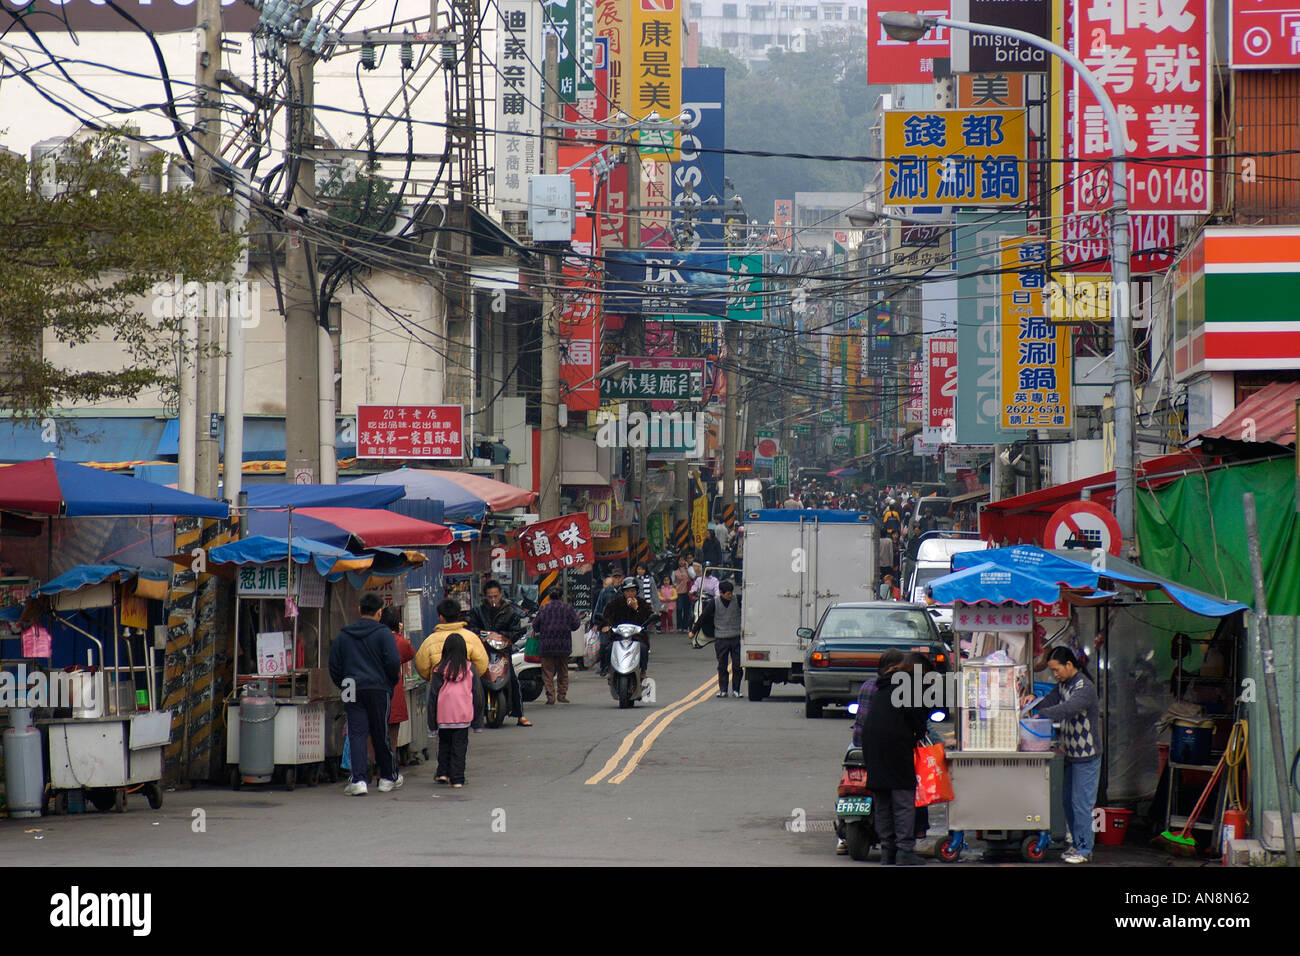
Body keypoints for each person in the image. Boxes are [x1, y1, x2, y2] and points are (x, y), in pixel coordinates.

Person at [1023, 647, 1101, 864]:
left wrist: (1040, 714)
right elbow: (1050, 700)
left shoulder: (1084, 687)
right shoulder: (1064, 684)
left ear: (1069, 665)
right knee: (1068, 801)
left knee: (1081, 804)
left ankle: (1085, 850)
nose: (1054, 674)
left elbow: (1067, 709)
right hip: (1070, 752)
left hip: (1087, 754)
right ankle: (1076, 845)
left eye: (1056, 669)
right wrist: (1033, 702)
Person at [329, 592, 403, 796]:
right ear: (380, 613)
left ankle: (359, 779)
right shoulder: (384, 634)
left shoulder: (344, 635)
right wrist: (390, 683)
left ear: (360, 610)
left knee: (356, 732)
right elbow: (393, 663)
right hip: (378, 687)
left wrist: (343, 684)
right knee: (380, 732)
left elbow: (334, 665)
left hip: (350, 686)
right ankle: (387, 777)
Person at [862, 648, 929, 865]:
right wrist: (920, 735)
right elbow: (918, 718)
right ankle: (904, 851)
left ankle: (887, 851)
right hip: (895, 745)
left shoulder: (882, 685)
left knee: (882, 798)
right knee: (903, 800)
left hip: (872, 743)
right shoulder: (908, 685)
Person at [415, 599, 490, 735]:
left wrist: (432, 676)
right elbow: (482, 664)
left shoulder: (430, 641)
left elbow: (421, 666)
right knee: (460, 742)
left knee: (444, 744)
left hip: (441, 703)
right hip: (463, 703)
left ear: (441, 617)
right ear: (459, 615)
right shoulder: (471, 638)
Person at [465, 580, 533, 727]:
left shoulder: (510, 612)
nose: (493, 599)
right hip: (481, 653)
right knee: (471, 680)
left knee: (514, 680)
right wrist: (480, 633)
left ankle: (520, 715)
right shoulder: (478, 611)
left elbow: (516, 631)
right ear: (485, 597)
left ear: (500, 594)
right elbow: (469, 626)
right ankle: (471, 715)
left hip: (502, 653)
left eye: (495, 596)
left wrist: (500, 636)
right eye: (490, 597)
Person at [430, 632, 476, 788]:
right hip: (463, 715)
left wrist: (431, 722)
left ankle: (442, 772)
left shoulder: (438, 670)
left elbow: (433, 697)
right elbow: (478, 694)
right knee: (459, 746)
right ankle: (457, 778)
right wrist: (478, 720)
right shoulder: (470, 669)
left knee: (444, 744)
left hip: (444, 715)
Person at [692, 579, 743, 697]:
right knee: (722, 665)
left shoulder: (738, 599)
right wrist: (693, 631)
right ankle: (723, 689)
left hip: (736, 637)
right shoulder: (714, 602)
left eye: (731, 593)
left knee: (737, 665)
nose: (730, 595)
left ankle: (736, 690)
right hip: (721, 638)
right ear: (721, 593)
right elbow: (703, 616)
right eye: (728, 593)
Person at [598, 578, 655, 678]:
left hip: (637, 635)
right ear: (623, 592)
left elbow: (649, 617)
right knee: (608, 647)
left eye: (632, 591)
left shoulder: (642, 603)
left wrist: (636, 608)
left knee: (644, 647)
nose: (630, 593)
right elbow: (606, 615)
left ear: (636, 591)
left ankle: (643, 670)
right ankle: (609, 669)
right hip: (618, 635)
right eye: (627, 591)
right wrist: (605, 625)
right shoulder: (615, 603)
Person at [380, 605, 415, 764]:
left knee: (376, 729)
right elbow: (410, 653)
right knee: (393, 730)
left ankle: (375, 763)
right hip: (394, 688)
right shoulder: (399, 641)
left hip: (375, 688)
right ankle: (390, 764)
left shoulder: (374, 638)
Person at [531, 594, 581, 705]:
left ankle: (550, 696)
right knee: (563, 671)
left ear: (549, 597)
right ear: (561, 597)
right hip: (563, 645)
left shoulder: (543, 608)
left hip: (546, 645)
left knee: (547, 672)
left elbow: (535, 625)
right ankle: (562, 695)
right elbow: (576, 624)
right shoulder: (567, 608)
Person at [672, 557, 692, 633]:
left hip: (687, 592)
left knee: (687, 610)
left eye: (683, 560)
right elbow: (673, 581)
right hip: (679, 592)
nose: (681, 562)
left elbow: (693, 576)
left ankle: (685, 626)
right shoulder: (675, 571)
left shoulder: (689, 569)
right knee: (679, 609)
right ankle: (679, 626)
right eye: (680, 560)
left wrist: (687, 568)